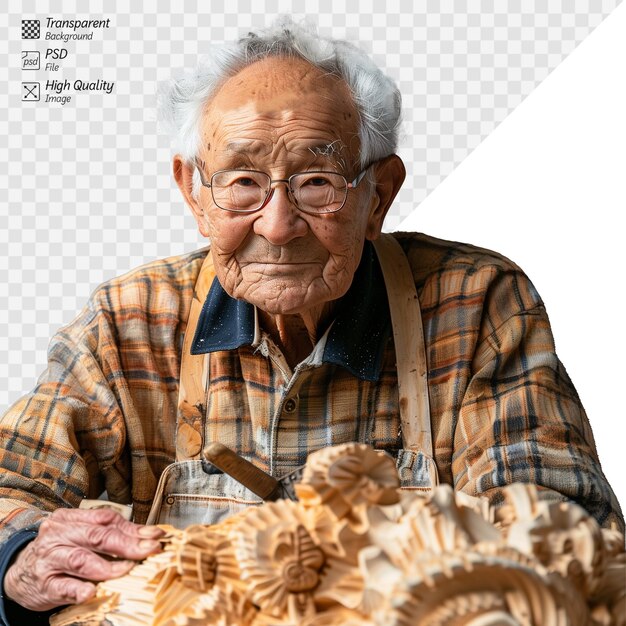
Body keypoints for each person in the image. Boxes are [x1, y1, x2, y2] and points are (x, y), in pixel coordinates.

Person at [0, 18, 622, 624]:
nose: (277, 225)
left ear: (378, 194)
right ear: (193, 193)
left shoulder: (473, 301)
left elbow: (565, 530)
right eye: (243, 182)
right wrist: (22, 553)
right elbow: (10, 487)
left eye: (317, 182)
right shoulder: (128, 321)